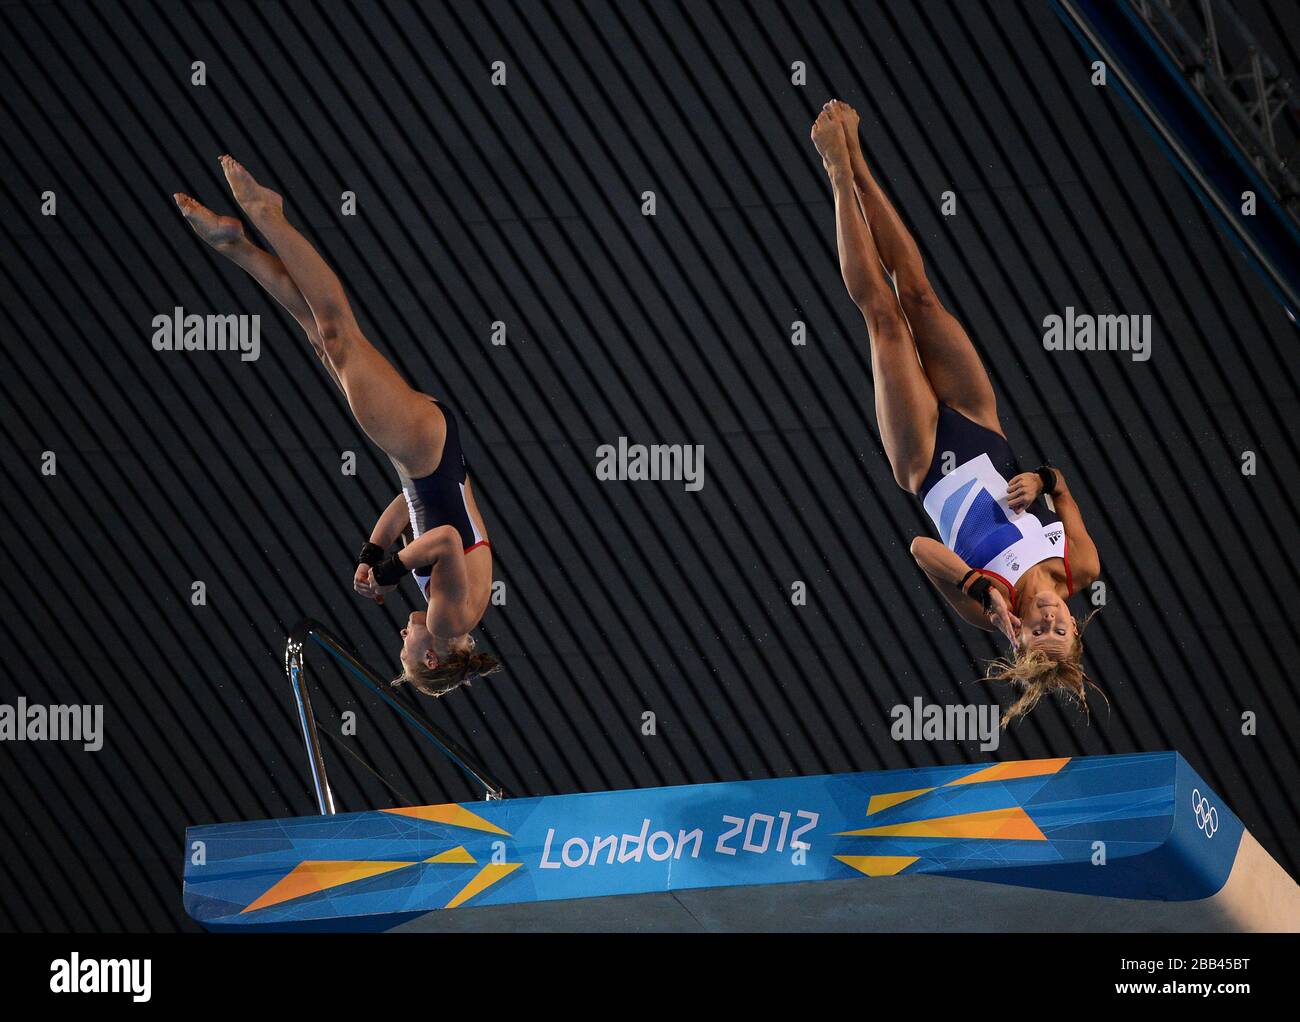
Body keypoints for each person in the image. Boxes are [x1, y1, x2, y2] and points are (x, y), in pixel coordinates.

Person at [811, 101, 1102, 726]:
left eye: (1039, 633)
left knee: (885, 319)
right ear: (1075, 625)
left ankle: (837, 172)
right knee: (917, 290)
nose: (1048, 620)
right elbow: (1064, 490)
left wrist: (977, 585)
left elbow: (920, 545)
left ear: (1019, 638)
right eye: (1061, 629)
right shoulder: (1080, 566)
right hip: (980, 427)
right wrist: (1044, 481)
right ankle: (860, 161)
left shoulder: (985, 606)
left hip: (922, 462)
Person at [174, 156, 499, 697]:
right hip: (422, 450)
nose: (403, 636)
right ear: (436, 656)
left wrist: (375, 549)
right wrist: (393, 571)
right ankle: (267, 213)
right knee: (337, 330)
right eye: (408, 652)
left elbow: (420, 510)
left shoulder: (461, 604)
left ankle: (235, 245)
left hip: (430, 453)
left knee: (322, 339)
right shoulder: (448, 621)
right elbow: (442, 537)